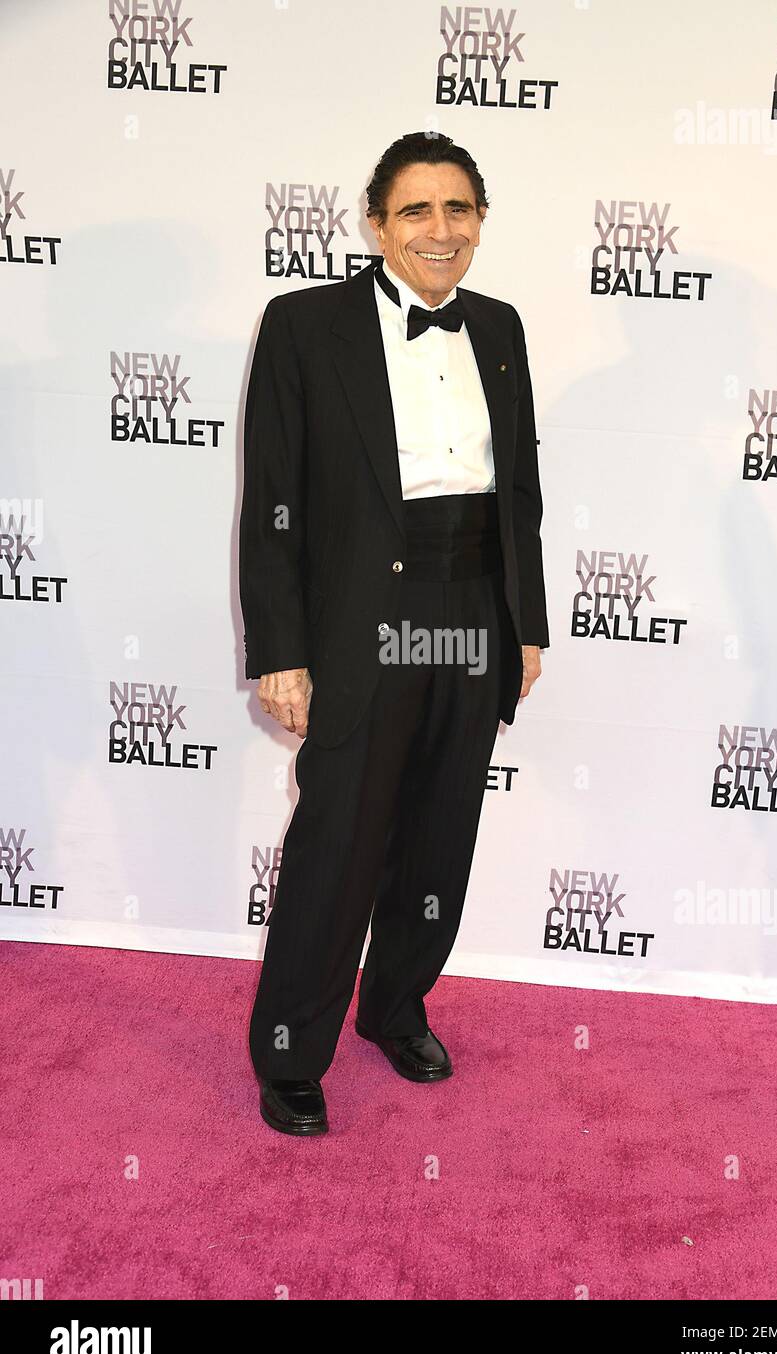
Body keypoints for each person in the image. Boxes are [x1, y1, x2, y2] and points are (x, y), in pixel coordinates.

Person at [239, 131, 549, 1136]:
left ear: (479, 221)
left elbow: (523, 499)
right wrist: (282, 650)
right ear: (374, 221)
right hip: (360, 614)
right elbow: (272, 499)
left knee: (436, 828)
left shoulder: (499, 328)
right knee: (340, 835)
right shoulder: (301, 325)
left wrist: (524, 623)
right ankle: (291, 1048)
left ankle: (394, 1006)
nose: (439, 230)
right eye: (415, 210)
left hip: (470, 606)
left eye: (457, 209)